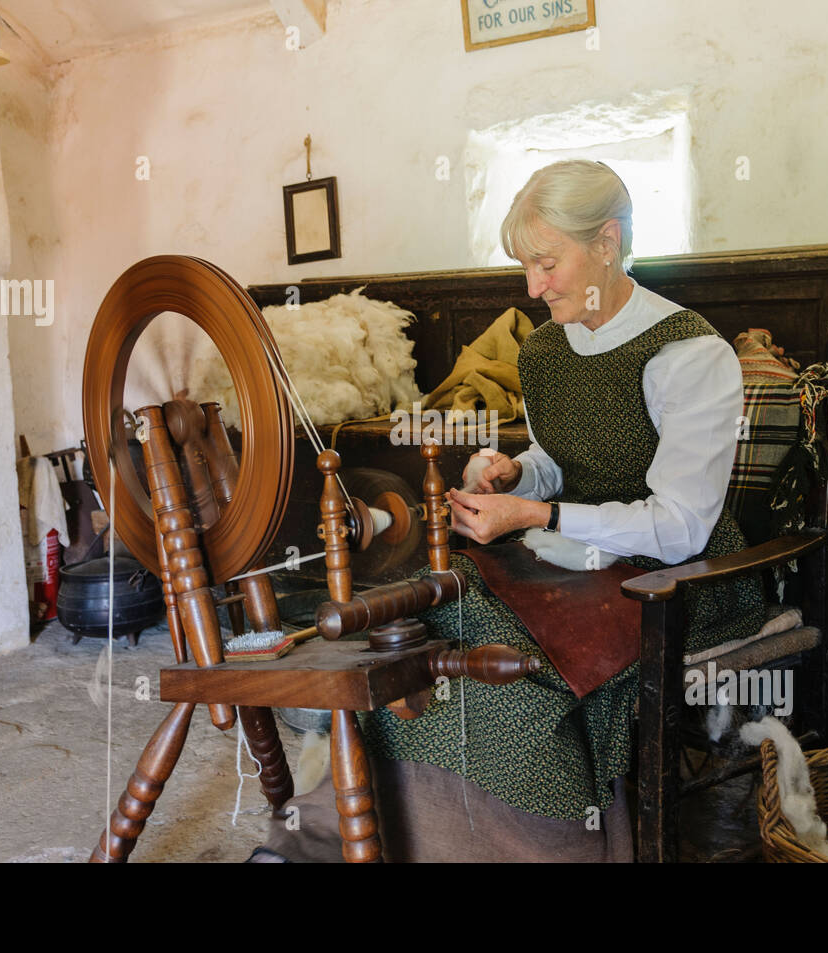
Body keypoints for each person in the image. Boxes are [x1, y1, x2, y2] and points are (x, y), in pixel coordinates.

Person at [261, 159, 766, 862]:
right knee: (426, 627)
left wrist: (537, 516)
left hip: (683, 578)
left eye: (545, 262)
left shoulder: (690, 354)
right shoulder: (545, 349)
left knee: (505, 666)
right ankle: (336, 833)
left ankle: (540, 847)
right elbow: (559, 459)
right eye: (524, 266)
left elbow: (681, 526)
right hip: (577, 561)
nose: (531, 287)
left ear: (608, 242)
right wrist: (516, 472)